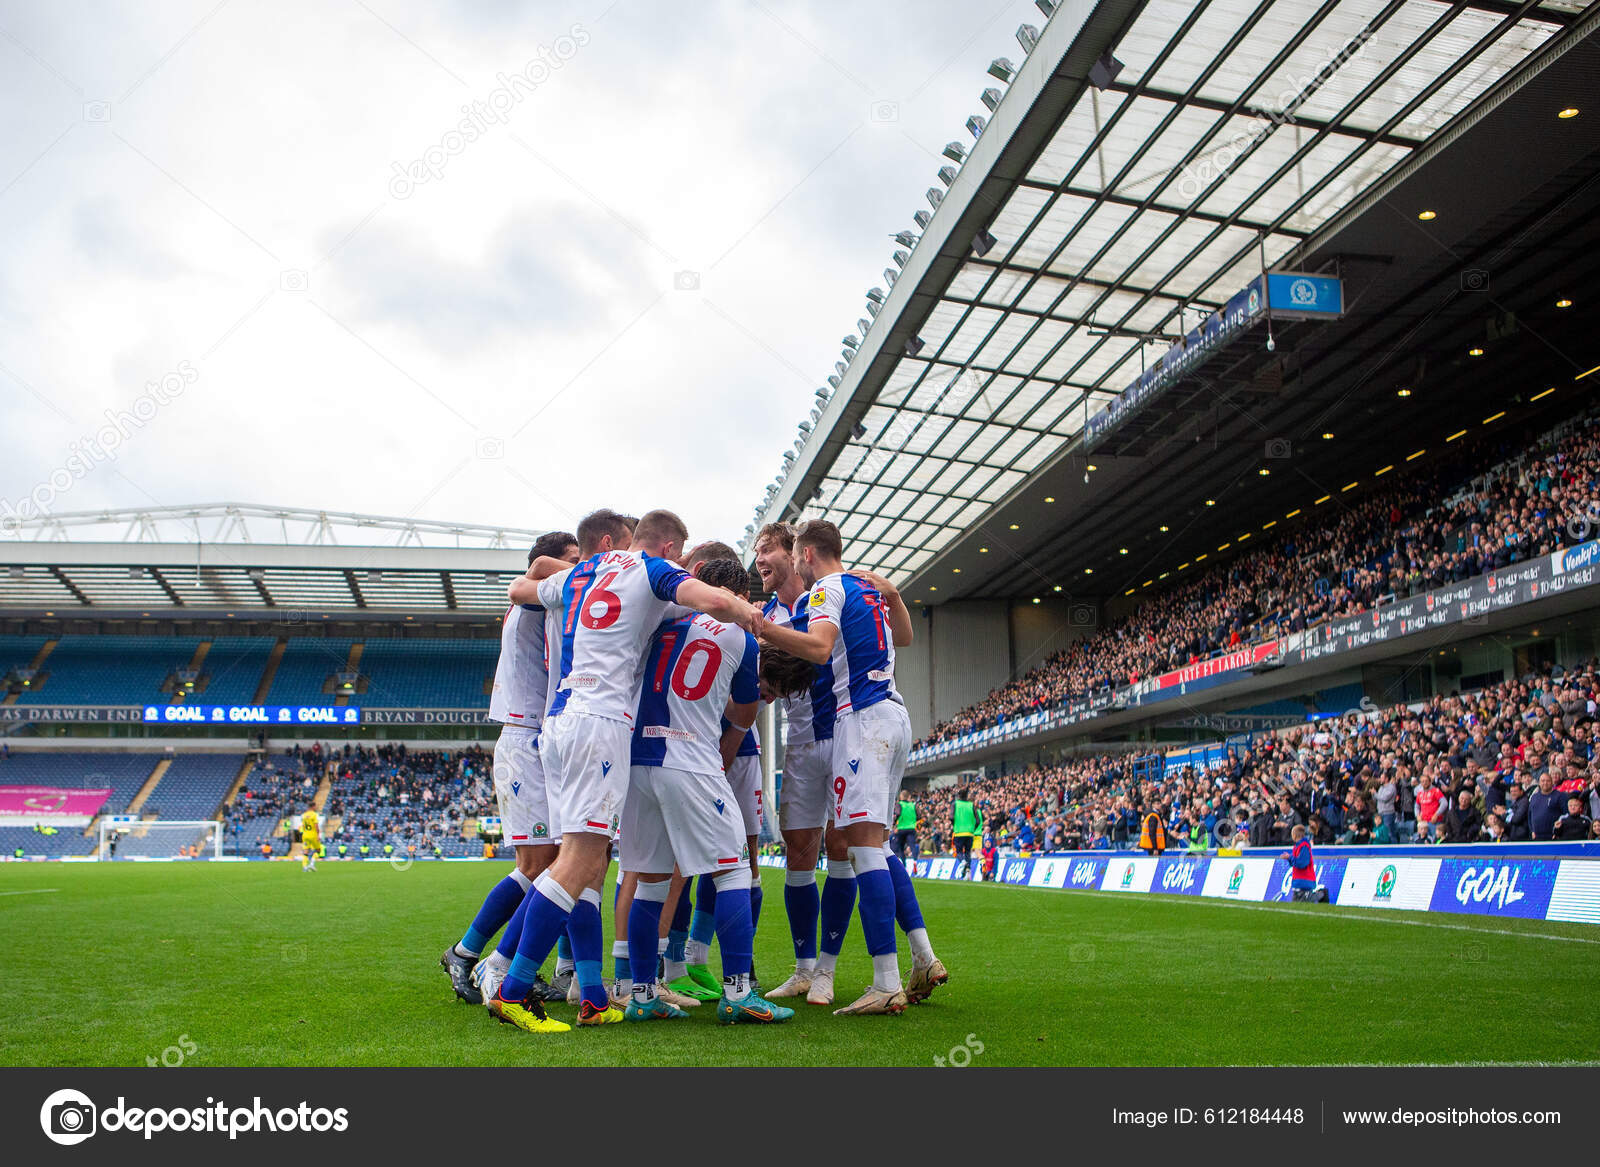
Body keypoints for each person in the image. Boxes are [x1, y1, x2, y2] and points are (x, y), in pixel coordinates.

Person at [487, 508, 761, 1034]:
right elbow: (711, 600)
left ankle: (591, 994)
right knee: (578, 863)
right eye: (677, 554)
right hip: (603, 724)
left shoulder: (581, 575)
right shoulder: (651, 571)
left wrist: (548, 570)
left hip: (561, 722)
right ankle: (513, 989)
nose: (679, 564)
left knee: (586, 867)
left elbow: (520, 590)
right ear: (662, 547)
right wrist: (748, 616)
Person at [754, 518, 944, 1014]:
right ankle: (917, 958)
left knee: (862, 848)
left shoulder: (825, 590)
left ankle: (883, 981)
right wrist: (896, 593)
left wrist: (761, 627)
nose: (792, 563)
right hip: (888, 714)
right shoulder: (866, 584)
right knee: (873, 845)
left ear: (806, 555)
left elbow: (817, 648)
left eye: (792, 554)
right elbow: (903, 635)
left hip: (857, 722)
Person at [618, 557, 792, 1025]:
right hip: (692, 757)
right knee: (734, 871)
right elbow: (744, 703)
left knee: (650, 882)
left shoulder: (662, 622)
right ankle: (739, 992)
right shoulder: (742, 637)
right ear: (736, 595)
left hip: (638, 760)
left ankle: (639, 994)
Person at [441, 529, 579, 1009]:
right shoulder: (535, 593)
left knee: (561, 860)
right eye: (573, 560)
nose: (577, 569)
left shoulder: (540, 603)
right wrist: (597, 573)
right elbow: (541, 571)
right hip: (523, 739)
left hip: (538, 739)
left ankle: (519, 961)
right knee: (539, 864)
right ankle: (468, 953)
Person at [749, 521, 844, 1003]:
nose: (759, 559)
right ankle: (805, 968)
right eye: (756, 552)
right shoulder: (764, 612)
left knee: (848, 852)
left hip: (844, 735)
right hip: (801, 746)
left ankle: (828, 970)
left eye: (767, 549)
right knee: (798, 854)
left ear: (796, 552)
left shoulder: (826, 598)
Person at [1280, 825, 1319, 901]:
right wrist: (1289, 858)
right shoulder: (1299, 846)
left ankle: (1319, 896)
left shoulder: (1303, 846)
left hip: (1304, 881)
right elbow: (1297, 861)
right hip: (1300, 881)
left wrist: (1290, 857)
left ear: (1294, 834)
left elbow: (1302, 863)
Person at [951, 787, 982, 878]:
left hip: (959, 832)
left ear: (959, 796)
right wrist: (972, 829)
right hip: (969, 833)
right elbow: (978, 821)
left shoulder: (955, 804)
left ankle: (962, 862)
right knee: (968, 852)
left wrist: (955, 825)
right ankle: (968, 871)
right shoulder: (971, 805)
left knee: (959, 852)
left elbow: (951, 817)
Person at [1528, 771, 1566, 841]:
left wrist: (1558, 832)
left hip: (1553, 837)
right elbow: (1530, 815)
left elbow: (1565, 815)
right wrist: (1532, 831)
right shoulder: (1534, 797)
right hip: (1536, 836)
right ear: (1539, 783)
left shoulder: (1560, 796)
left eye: (1548, 781)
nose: (1545, 783)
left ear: (1552, 782)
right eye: (1542, 781)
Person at [298, 807, 321, 872]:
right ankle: (312, 864)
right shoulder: (314, 814)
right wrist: (318, 835)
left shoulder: (304, 815)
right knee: (318, 850)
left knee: (305, 851)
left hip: (305, 835)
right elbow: (316, 826)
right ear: (313, 806)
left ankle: (304, 867)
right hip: (313, 835)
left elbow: (302, 825)